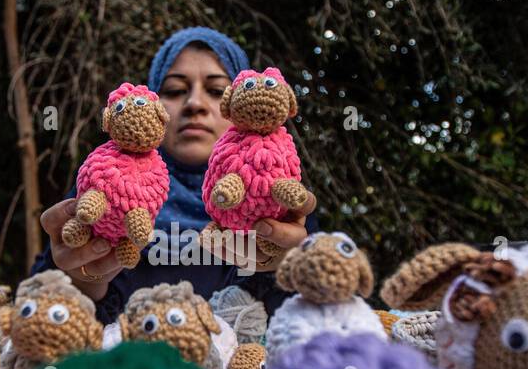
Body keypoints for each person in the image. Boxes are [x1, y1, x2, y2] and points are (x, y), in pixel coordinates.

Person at [29, 27, 319, 325]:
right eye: (175, 90)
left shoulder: (284, 208)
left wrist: (290, 272)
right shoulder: (99, 188)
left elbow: (315, 328)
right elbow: (33, 317)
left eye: (217, 90)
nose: (194, 103)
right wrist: (82, 281)